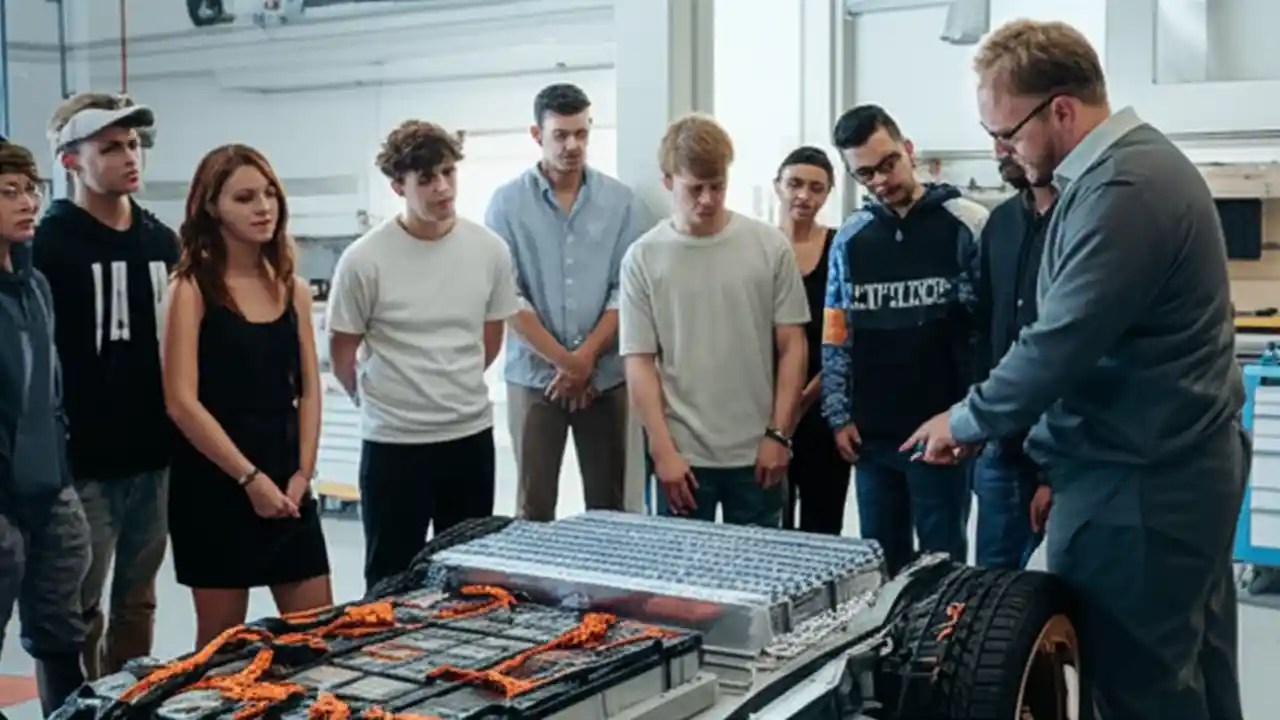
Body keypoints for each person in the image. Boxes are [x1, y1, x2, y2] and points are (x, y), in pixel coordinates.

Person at [903, 20, 1246, 720]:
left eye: (1007, 134)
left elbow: (1060, 340)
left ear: (1062, 109)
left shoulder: (1126, 186)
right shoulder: (1116, 176)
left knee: (1138, 688)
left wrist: (967, 419)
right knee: (1191, 675)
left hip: (1143, 486)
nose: (1000, 151)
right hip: (1159, 472)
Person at [328, 120, 520, 590]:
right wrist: (384, 399)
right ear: (398, 186)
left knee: (470, 581)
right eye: (426, 178)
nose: (442, 188)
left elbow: (489, 338)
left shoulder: (489, 250)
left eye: (448, 173)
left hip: (468, 436)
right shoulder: (363, 260)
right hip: (394, 444)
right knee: (390, 581)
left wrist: (448, 385)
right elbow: (342, 354)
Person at [162, 144, 332, 647]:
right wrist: (249, 478)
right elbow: (180, 401)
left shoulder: (291, 288)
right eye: (245, 197)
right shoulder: (190, 288)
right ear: (212, 207)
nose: (263, 207)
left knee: (316, 639)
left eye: (269, 194)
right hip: (216, 484)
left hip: (286, 482)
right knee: (219, 647)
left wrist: (302, 473)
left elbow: (310, 390)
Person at [34, 93, 176, 678]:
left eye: (134, 145)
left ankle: (129, 702)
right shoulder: (47, 244)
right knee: (77, 608)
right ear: (70, 160)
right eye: (110, 147)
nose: (128, 157)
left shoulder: (161, 241)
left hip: (154, 454)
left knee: (138, 599)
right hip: (81, 463)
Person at [619, 113, 809, 527]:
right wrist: (661, 449)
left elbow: (793, 345)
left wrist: (779, 434)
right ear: (668, 180)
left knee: (763, 582)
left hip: (758, 451)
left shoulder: (768, 246)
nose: (707, 199)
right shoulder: (643, 257)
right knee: (681, 585)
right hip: (683, 458)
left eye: (717, 186)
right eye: (695, 188)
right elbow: (639, 360)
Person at [821, 104, 986, 575]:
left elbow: (986, 331)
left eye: (888, 163)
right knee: (879, 567)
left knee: (943, 566)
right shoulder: (851, 238)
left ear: (908, 150)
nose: (879, 180)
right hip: (871, 437)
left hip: (941, 435)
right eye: (865, 173)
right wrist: (838, 413)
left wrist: (971, 417)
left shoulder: (967, 223)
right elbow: (837, 330)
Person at [485, 83, 653, 521]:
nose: (573, 145)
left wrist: (586, 359)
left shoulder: (622, 202)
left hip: (606, 376)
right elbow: (508, 294)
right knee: (533, 506)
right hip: (534, 379)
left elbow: (627, 289)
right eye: (561, 134)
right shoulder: (505, 204)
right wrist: (567, 362)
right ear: (537, 135)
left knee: (610, 506)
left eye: (581, 133)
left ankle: (608, 591)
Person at [0, 140, 92, 715]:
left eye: (31, 189)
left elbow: (49, 391)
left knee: (63, 638)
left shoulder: (35, 286)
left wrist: (60, 477)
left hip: (50, 492)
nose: (27, 202)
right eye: (9, 192)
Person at [971, 154, 1056, 570]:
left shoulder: (1082, 220)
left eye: (1011, 135)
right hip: (1003, 441)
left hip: (1067, 444)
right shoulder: (1001, 222)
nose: (1002, 149)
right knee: (991, 582)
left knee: (1067, 587)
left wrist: (1051, 476)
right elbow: (984, 324)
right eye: (995, 138)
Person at [773, 146, 851, 535]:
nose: (804, 195)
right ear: (778, 186)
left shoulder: (841, 247)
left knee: (823, 524)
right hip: (767, 409)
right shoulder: (759, 247)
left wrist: (808, 394)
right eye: (795, 184)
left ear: (828, 193)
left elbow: (845, 330)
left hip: (823, 405)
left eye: (816, 188)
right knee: (772, 525)